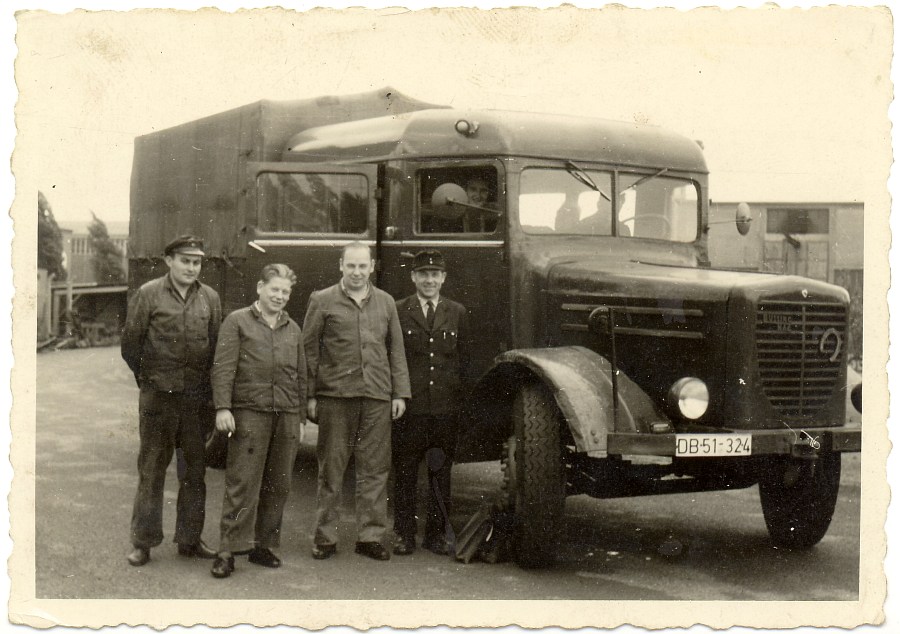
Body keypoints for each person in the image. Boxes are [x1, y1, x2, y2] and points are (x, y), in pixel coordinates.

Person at [303, 242, 411, 561]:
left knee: (375, 470)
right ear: (341, 266)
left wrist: (399, 393)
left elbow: (396, 350)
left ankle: (370, 536)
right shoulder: (321, 300)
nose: (356, 272)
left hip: (377, 396)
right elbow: (308, 351)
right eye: (351, 266)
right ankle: (325, 537)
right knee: (331, 470)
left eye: (362, 266)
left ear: (372, 266)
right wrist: (309, 395)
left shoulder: (387, 303)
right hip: (336, 396)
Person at [121, 235, 222, 567]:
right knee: (151, 470)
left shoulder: (210, 298)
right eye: (185, 261)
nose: (191, 268)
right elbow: (131, 345)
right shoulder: (148, 294)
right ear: (169, 261)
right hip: (158, 400)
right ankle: (143, 543)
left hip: (195, 401)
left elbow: (216, 348)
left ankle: (190, 540)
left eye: (197, 262)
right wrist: (149, 379)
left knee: (194, 472)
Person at [208, 264, 306, 579]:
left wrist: (300, 415)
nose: (279, 296)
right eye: (274, 289)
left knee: (279, 485)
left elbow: (301, 376)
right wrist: (223, 407)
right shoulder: (237, 322)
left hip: (287, 415)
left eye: (285, 292)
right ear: (260, 288)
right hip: (249, 412)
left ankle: (264, 546)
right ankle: (227, 550)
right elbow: (223, 367)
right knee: (242, 482)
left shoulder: (293, 328)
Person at [392, 250, 470, 556]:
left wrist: (460, 406)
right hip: (411, 409)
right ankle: (404, 534)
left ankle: (436, 535)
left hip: (443, 410)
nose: (429, 280)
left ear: (443, 278)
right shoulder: (399, 310)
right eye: (423, 274)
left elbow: (464, 361)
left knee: (440, 474)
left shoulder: (457, 312)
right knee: (406, 473)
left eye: (435, 274)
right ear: (413, 277)